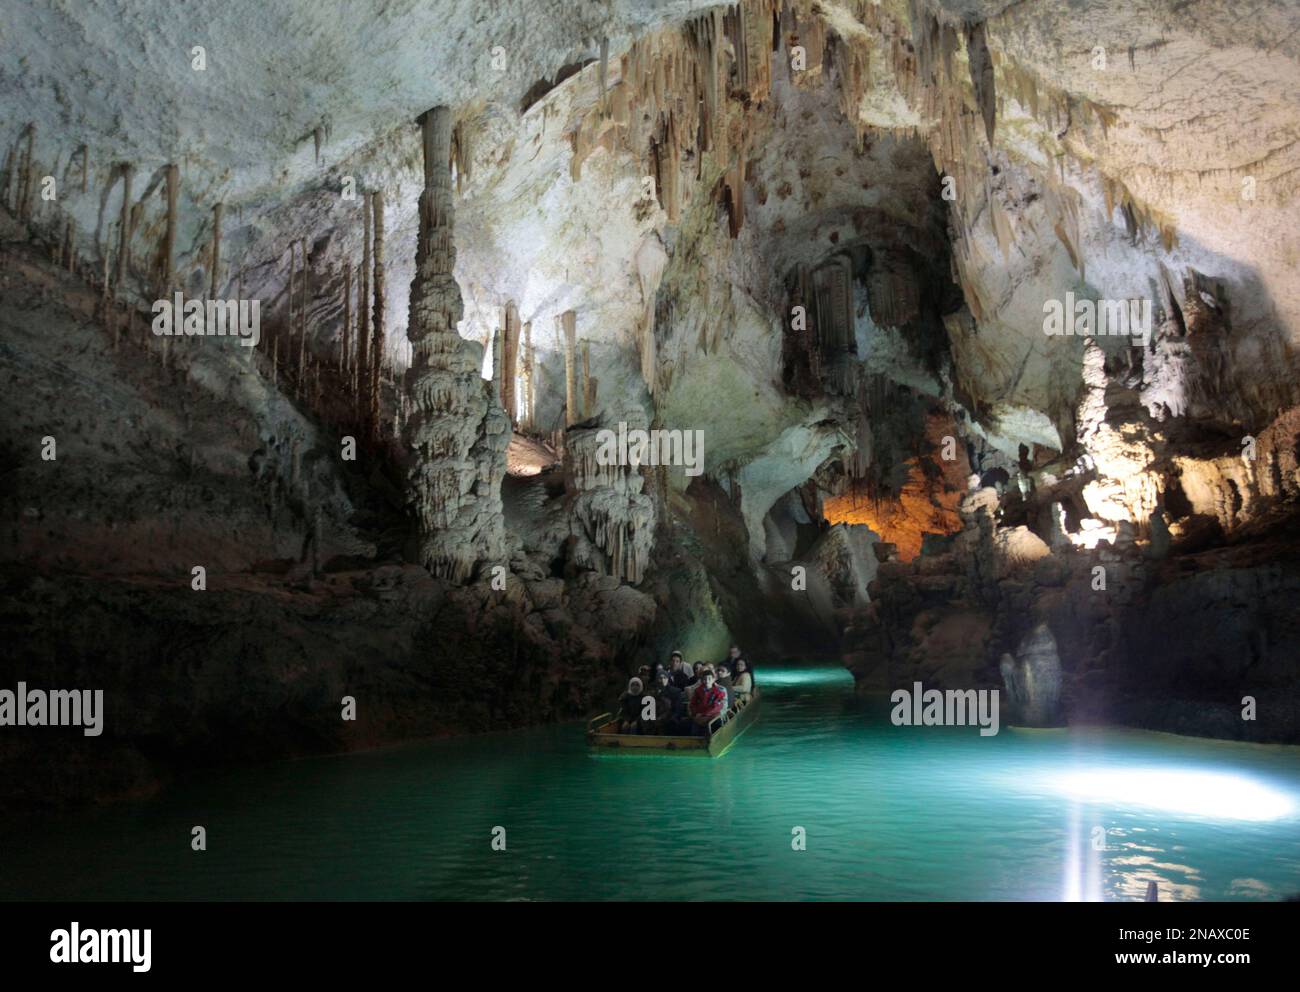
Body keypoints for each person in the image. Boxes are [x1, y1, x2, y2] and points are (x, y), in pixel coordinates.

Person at [688, 667, 726, 736]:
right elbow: (693, 704)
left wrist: (704, 715)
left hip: (713, 716)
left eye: (709, 679)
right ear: (702, 680)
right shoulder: (698, 690)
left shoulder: (719, 692)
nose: (707, 681)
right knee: (693, 728)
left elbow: (716, 707)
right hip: (699, 716)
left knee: (715, 725)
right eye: (704, 679)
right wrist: (696, 713)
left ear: (713, 680)